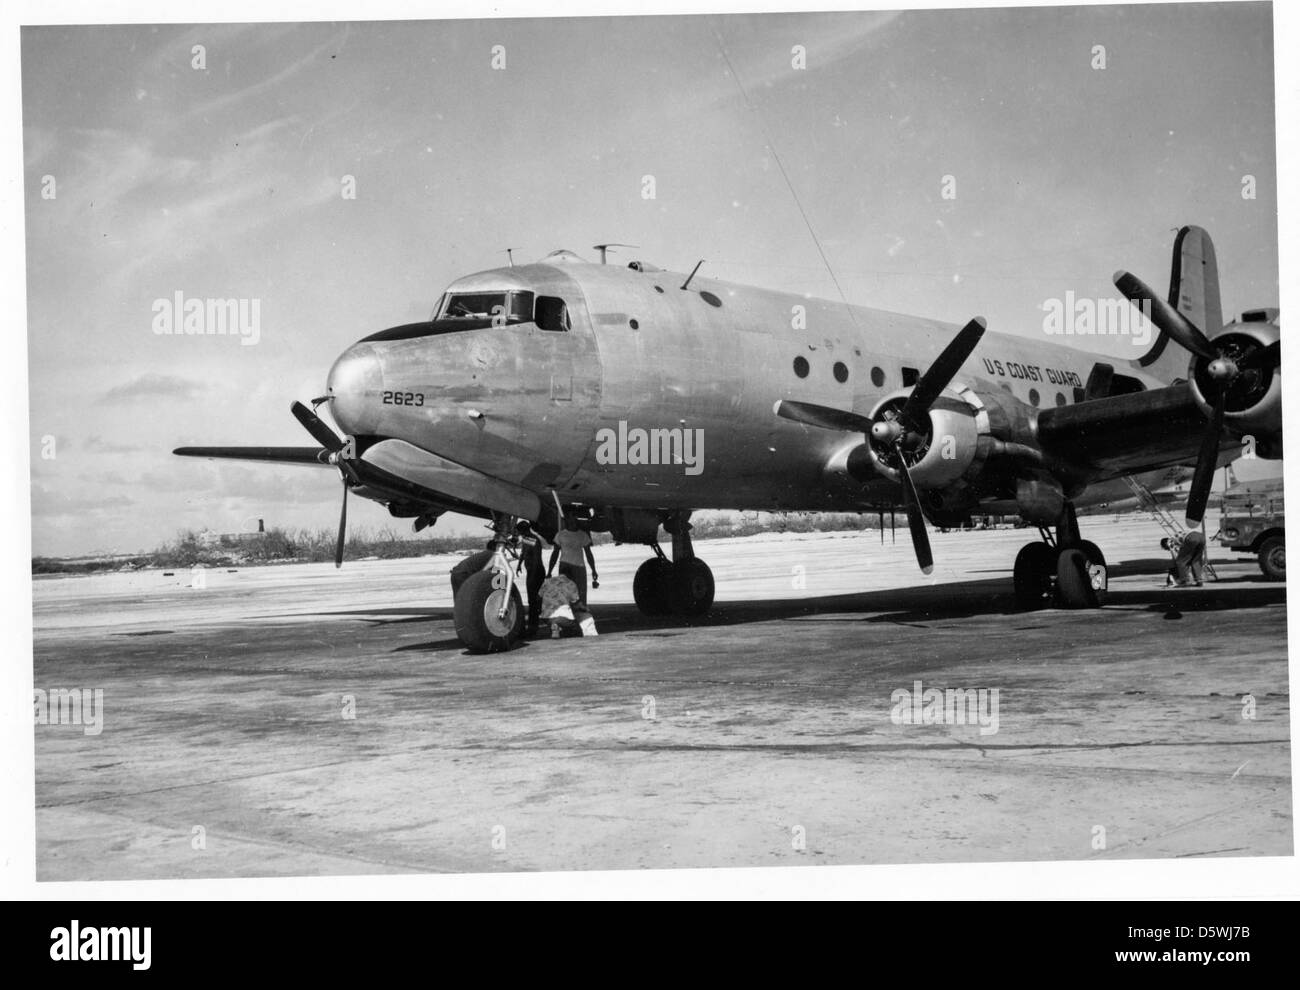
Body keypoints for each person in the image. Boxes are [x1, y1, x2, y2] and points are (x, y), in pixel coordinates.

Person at [548, 512, 598, 606]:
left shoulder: (582, 535)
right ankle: (568, 617)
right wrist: (549, 571)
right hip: (565, 567)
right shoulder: (560, 535)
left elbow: (589, 554)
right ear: (567, 522)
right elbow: (555, 553)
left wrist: (593, 570)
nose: (573, 522)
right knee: (565, 595)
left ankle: (580, 617)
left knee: (580, 596)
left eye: (575, 520)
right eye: (571, 520)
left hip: (579, 568)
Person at [515, 520, 548, 635]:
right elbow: (523, 553)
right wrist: (519, 565)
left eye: (520, 531)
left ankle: (533, 626)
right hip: (531, 571)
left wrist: (533, 576)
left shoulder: (533, 539)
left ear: (524, 530)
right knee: (533, 600)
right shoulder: (526, 539)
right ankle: (534, 624)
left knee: (534, 600)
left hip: (536, 572)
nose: (519, 534)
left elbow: (536, 559)